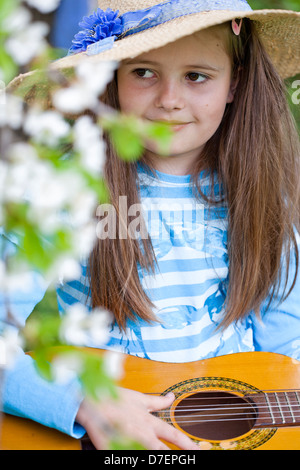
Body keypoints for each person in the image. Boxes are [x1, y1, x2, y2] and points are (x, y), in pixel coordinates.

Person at [2, 0, 300, 450]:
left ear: (234, 83)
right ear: (111, 78)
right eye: (144, 72)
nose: (169, 100)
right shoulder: (65, 190)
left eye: (196, 76)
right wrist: (83, 402)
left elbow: (285, 354)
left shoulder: (260, 195)